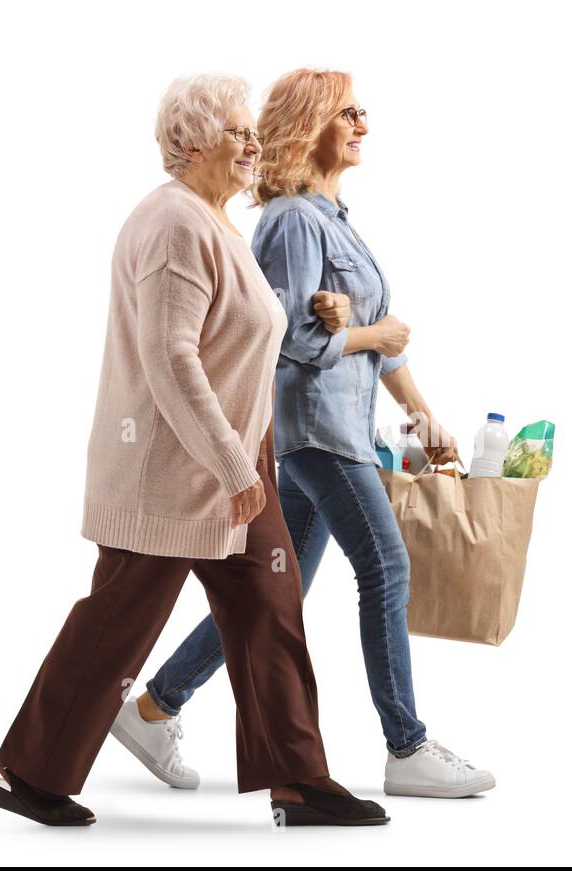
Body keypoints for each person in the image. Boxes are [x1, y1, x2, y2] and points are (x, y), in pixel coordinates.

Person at [0, 71, 388, 827]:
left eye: (250, 131)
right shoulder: (173, 223)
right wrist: (233, 467)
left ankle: (298, 779)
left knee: (272, 609)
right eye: (236, 131)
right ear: (192, 141)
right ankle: (28, 769)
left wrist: (325, 316)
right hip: (173, 470)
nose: (251, 144)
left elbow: (248, 330)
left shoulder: (214, 220)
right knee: (118, 622)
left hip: (237, 461)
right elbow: (173, 358)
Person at [112, 68, 495, 799]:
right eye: (349, 112)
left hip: (343, 426)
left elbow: (381, 341)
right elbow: (283, 340)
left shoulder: (334, 220)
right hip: (316, 430)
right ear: (311, 122)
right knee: (387, 568)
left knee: (275, 594)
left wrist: (420, 413)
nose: (364, 125)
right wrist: (366, 330)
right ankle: (406, 747)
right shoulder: (290, 219)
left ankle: (156, 707)